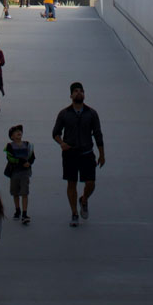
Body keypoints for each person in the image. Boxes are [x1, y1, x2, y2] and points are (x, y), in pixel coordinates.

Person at [52, 81, 104, 226]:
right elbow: (55, 133)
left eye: (81, 91)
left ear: (84, 94)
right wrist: (61, 143)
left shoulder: (92, 114)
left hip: (87, 153)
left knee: (91, 183)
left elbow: (98, 134)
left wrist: (102, 154)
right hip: (70, 154)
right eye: (75, 91)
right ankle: (74, 213)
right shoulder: (64, 114)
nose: (79, 93)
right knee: (71, 183)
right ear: (71, 95)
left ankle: (84, 199)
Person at [3, 123, 35, 224]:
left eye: (19, 131)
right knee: (15, 192)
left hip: (25, 172)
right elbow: (10, 158)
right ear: (11, 136)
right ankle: (17, 210)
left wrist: (29, 163)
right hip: (15, 172)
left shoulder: (27, 144)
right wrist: (23, 162)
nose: (18, 133)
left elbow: (32, 156)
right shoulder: (9, 146)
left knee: (24, 192)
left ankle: (24, 213)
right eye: (15, 132)